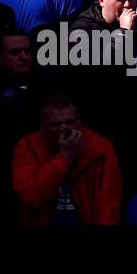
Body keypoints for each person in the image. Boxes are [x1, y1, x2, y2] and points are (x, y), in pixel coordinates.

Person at [12, 95, 123, 225]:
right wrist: (65, 158)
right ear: (42, 127)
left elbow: (108, 205)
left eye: (69, 122)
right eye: (55, 124)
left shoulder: (100, 149)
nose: (63, 128)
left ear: (78, 122)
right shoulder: (27, 147)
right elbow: (30, 196)